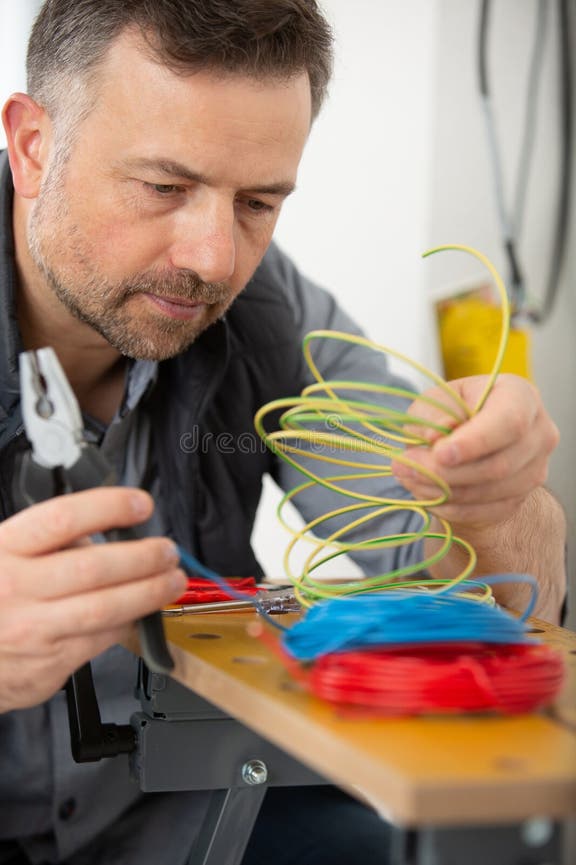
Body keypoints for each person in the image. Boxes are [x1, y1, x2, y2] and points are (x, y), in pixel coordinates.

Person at [0, 1, 566, 863]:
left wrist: (499, 507)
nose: (215, 259)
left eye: (259, 201)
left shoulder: (269, 318)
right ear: (34, 147)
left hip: (192, 819)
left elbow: (504, 607)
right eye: (164, 187)